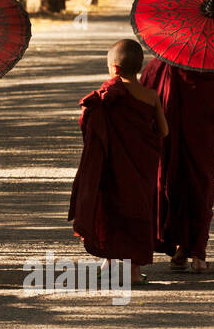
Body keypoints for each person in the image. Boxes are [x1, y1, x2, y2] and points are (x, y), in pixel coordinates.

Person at [69, 39, 168, 285]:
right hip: (143, 167)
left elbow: (88, 125)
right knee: (139, 210)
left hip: (111, 166)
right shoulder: (151, 96)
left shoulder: (105, 96)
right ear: (139, 67)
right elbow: (163, 131)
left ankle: (112, 261)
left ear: (113, 68)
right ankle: (134, 272)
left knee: (112, 209)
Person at [139, 57, 214, 273]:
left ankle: (180, 251)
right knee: (200, 186)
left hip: (167, 138)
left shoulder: (160, 63)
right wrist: (205, 101)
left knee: (173, 183)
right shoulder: (213, 59)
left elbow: (144, 100)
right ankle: (197, 256)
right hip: (202, 136)